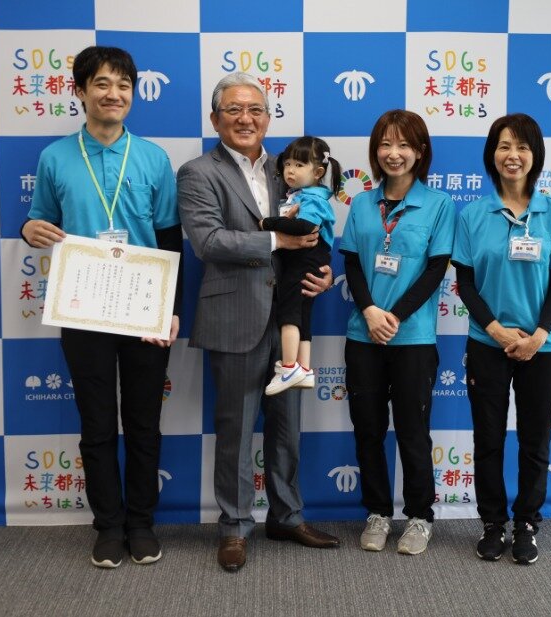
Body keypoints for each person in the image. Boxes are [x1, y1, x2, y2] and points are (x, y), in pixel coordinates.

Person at [20, 46, 182, 569]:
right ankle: (108, 526)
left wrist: (170, 308)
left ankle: (141, 523)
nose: (114, 94)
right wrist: (28, 229)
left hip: (143, 306)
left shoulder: (153, 158)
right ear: (80, 91)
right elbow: (40, 220)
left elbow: (169, 239)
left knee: (143, 421)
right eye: (103, 84)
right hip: (82, 305)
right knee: (96, 424)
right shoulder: (55, 157)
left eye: (123, 85)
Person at [177, 72, 339, 573]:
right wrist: (276, 240)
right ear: (215, 119)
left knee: (288, 426)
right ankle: (234, 526)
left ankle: (287, 517)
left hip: (290, 311)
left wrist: (325, 271)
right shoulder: (197, 172)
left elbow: (315, 227)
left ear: (268, 118)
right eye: (234, 110)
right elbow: (208, 241)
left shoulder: (287, 167)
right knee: (236, 428)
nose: (245, 119)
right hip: (235, 313)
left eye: (255, 110)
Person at [451, 113, 551, 565]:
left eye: (522, 147)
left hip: (542, 347)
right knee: (488, 438)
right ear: (492, 154)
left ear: (535, 155)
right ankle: (492, 523)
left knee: (534, 440)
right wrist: (495, 329)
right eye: (504, 146)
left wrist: (538, 335)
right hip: (487, 343)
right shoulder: (472, 214)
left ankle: (526, 524)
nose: (513, 155)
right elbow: (465, 283)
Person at [340, 110, 456, 555]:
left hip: (413, 338)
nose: (394, 153)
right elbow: (353, 263)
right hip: (363, 335)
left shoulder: (439, 204)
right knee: (368, 429)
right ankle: (377, 512)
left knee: (412, 430)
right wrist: (370, 312)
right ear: (376, 151)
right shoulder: (362, 203)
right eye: (386, 144)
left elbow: (435, 269)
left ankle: (420, 517)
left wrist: (395, 316)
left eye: (404, 145)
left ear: (420, 152)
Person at [259, 136, 340, 395]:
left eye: (299, 165)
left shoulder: (311, 198)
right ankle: (304, 369)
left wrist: (268, 223)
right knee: (303, 315)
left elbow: (305, 227)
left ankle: (289, 367)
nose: (290, 171)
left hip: (306, 259)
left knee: (290, 314)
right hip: (308, 259)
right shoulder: (301, 195)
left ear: (318, 173)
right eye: (287, 164)